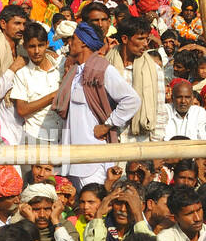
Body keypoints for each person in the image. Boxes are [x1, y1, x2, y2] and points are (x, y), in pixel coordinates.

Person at [52, 22, 140, 188]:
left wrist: (107, 125)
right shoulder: (76, 70)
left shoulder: (102, 69)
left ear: (84, 42)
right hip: (73, 154)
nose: (69, 43)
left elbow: (132, 100)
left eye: (74, 39)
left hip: (94, 155)